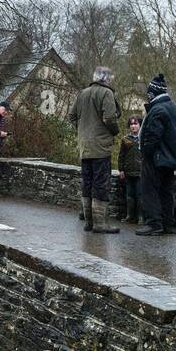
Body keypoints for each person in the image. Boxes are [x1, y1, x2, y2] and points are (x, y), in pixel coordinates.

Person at [67, 65, 122, 234]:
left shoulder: (83, 93)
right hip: (100, 146)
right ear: (106, 78)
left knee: (87, 182)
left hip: (84, 146)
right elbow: (110, 118)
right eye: (111, 78)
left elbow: (72, 116)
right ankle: (99, 224)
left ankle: (89, 222)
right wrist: (114, 131)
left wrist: (83, 130)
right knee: (100, 183)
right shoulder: (107, 93)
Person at [136, 73, 176, 237]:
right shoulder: (174, 109)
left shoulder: (157, 110)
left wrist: (145, 153)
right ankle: (167, 222)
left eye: (149, 93)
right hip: (169, 158)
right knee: (166, 190)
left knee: (149, 189)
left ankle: (154, 223)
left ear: (153, 93)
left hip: (156, 158)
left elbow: (152, 137)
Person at [117, 116, 143, 224]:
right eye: (131, 124)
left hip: (140, 172)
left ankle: (141, 217)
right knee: (129, 195)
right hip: (128, 172)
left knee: (140, 195)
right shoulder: (125, 139)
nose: (133, 126)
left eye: (136, 124)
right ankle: (130, 216)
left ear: (140, 125)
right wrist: (121, 170)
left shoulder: (144, 139)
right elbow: (121, 156)